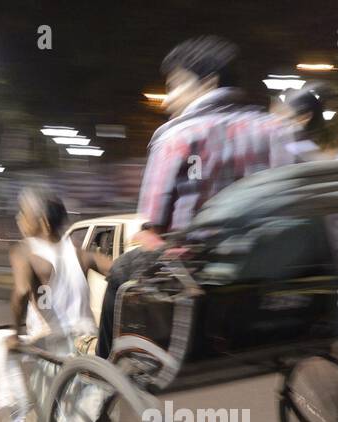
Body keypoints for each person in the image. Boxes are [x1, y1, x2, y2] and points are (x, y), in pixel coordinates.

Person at [95, 35, 293, 359]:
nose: (167, 98)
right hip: (266, 269)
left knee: (121, 270)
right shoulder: (274, 130)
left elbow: (151, 227)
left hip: (195, 274)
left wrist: (146, 238)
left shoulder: (177, 136)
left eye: (175, 85)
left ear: (208, 83)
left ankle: (102, 370)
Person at [5, 185, 111, 422]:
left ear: (40, 221)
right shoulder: (77, 252)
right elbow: (114, 267)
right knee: (93, 419)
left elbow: (19, 293)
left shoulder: (25, 251)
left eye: (23, 213)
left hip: (56, 353)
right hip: (90, 347)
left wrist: (15, 335)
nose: (19, 218)